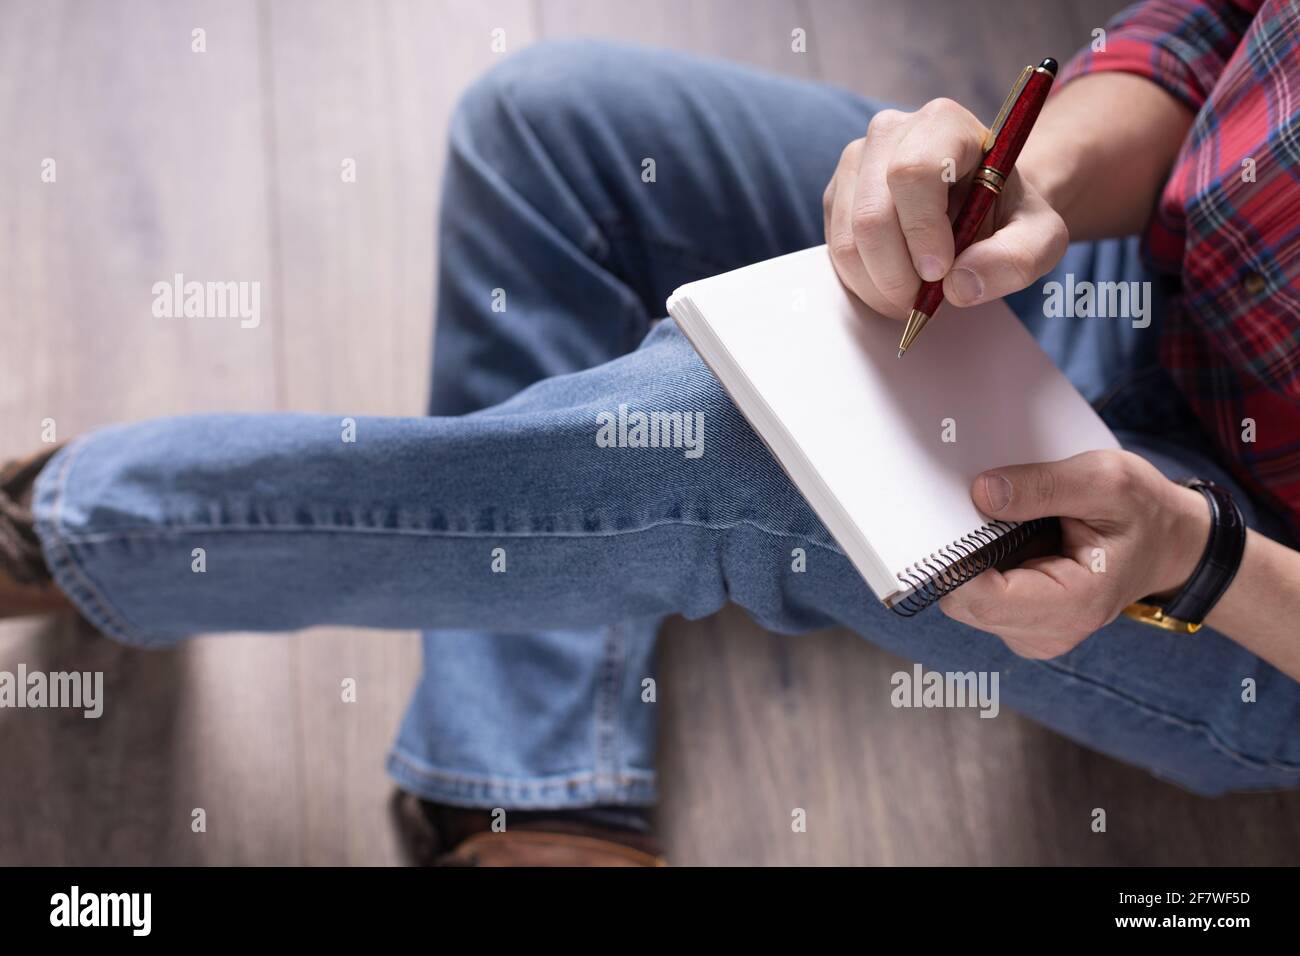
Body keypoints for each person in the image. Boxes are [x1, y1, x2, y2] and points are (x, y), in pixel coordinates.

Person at [3, 0, 1299, 866]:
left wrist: (1197, 554)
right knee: (555, 124)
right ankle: (525, 784)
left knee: (735, 441)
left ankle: (75, 527)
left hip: (1241, 584)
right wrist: (1032, 186)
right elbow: (1204, 36)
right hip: (1129, 290)